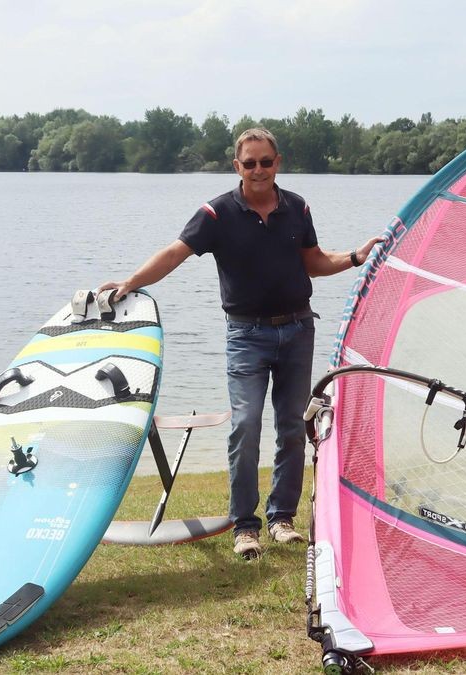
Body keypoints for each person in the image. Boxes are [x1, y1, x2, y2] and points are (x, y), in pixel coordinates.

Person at [99, 128, 382, 560]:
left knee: (292, 427)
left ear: (277, 162)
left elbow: (314, 262)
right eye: (250, 163)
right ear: (237, 166)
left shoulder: (298, 207)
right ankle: (246, 526)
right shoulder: (217, 214)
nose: (258, 170)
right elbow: (175, 253)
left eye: (266, 162)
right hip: (246, 336)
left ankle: (282, 519)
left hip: (298, 330)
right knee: (246, 424)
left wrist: (355, 257)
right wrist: (131, 282)